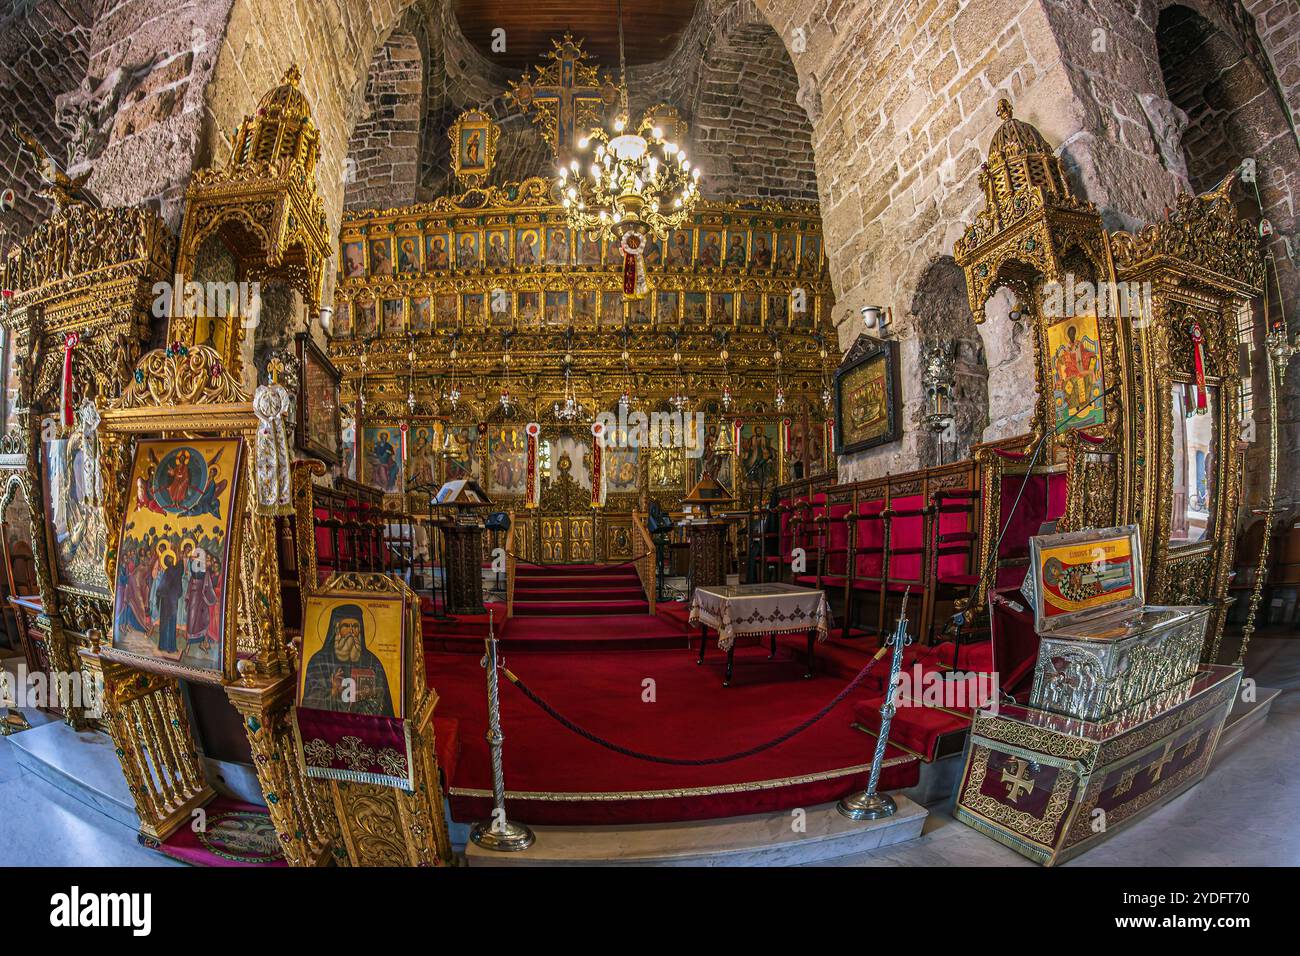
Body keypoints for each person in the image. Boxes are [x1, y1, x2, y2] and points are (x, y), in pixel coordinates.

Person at [301, 603, 395, 716]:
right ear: (336, 630)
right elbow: (310, 704)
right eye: (346, 626)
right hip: (329, 725)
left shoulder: (373, 662)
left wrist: (367, 696)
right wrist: (333, 691)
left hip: (364, 726)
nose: (351, 631)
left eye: (355, 626)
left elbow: (383, 702)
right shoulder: (319, 661)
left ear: (360, 631)